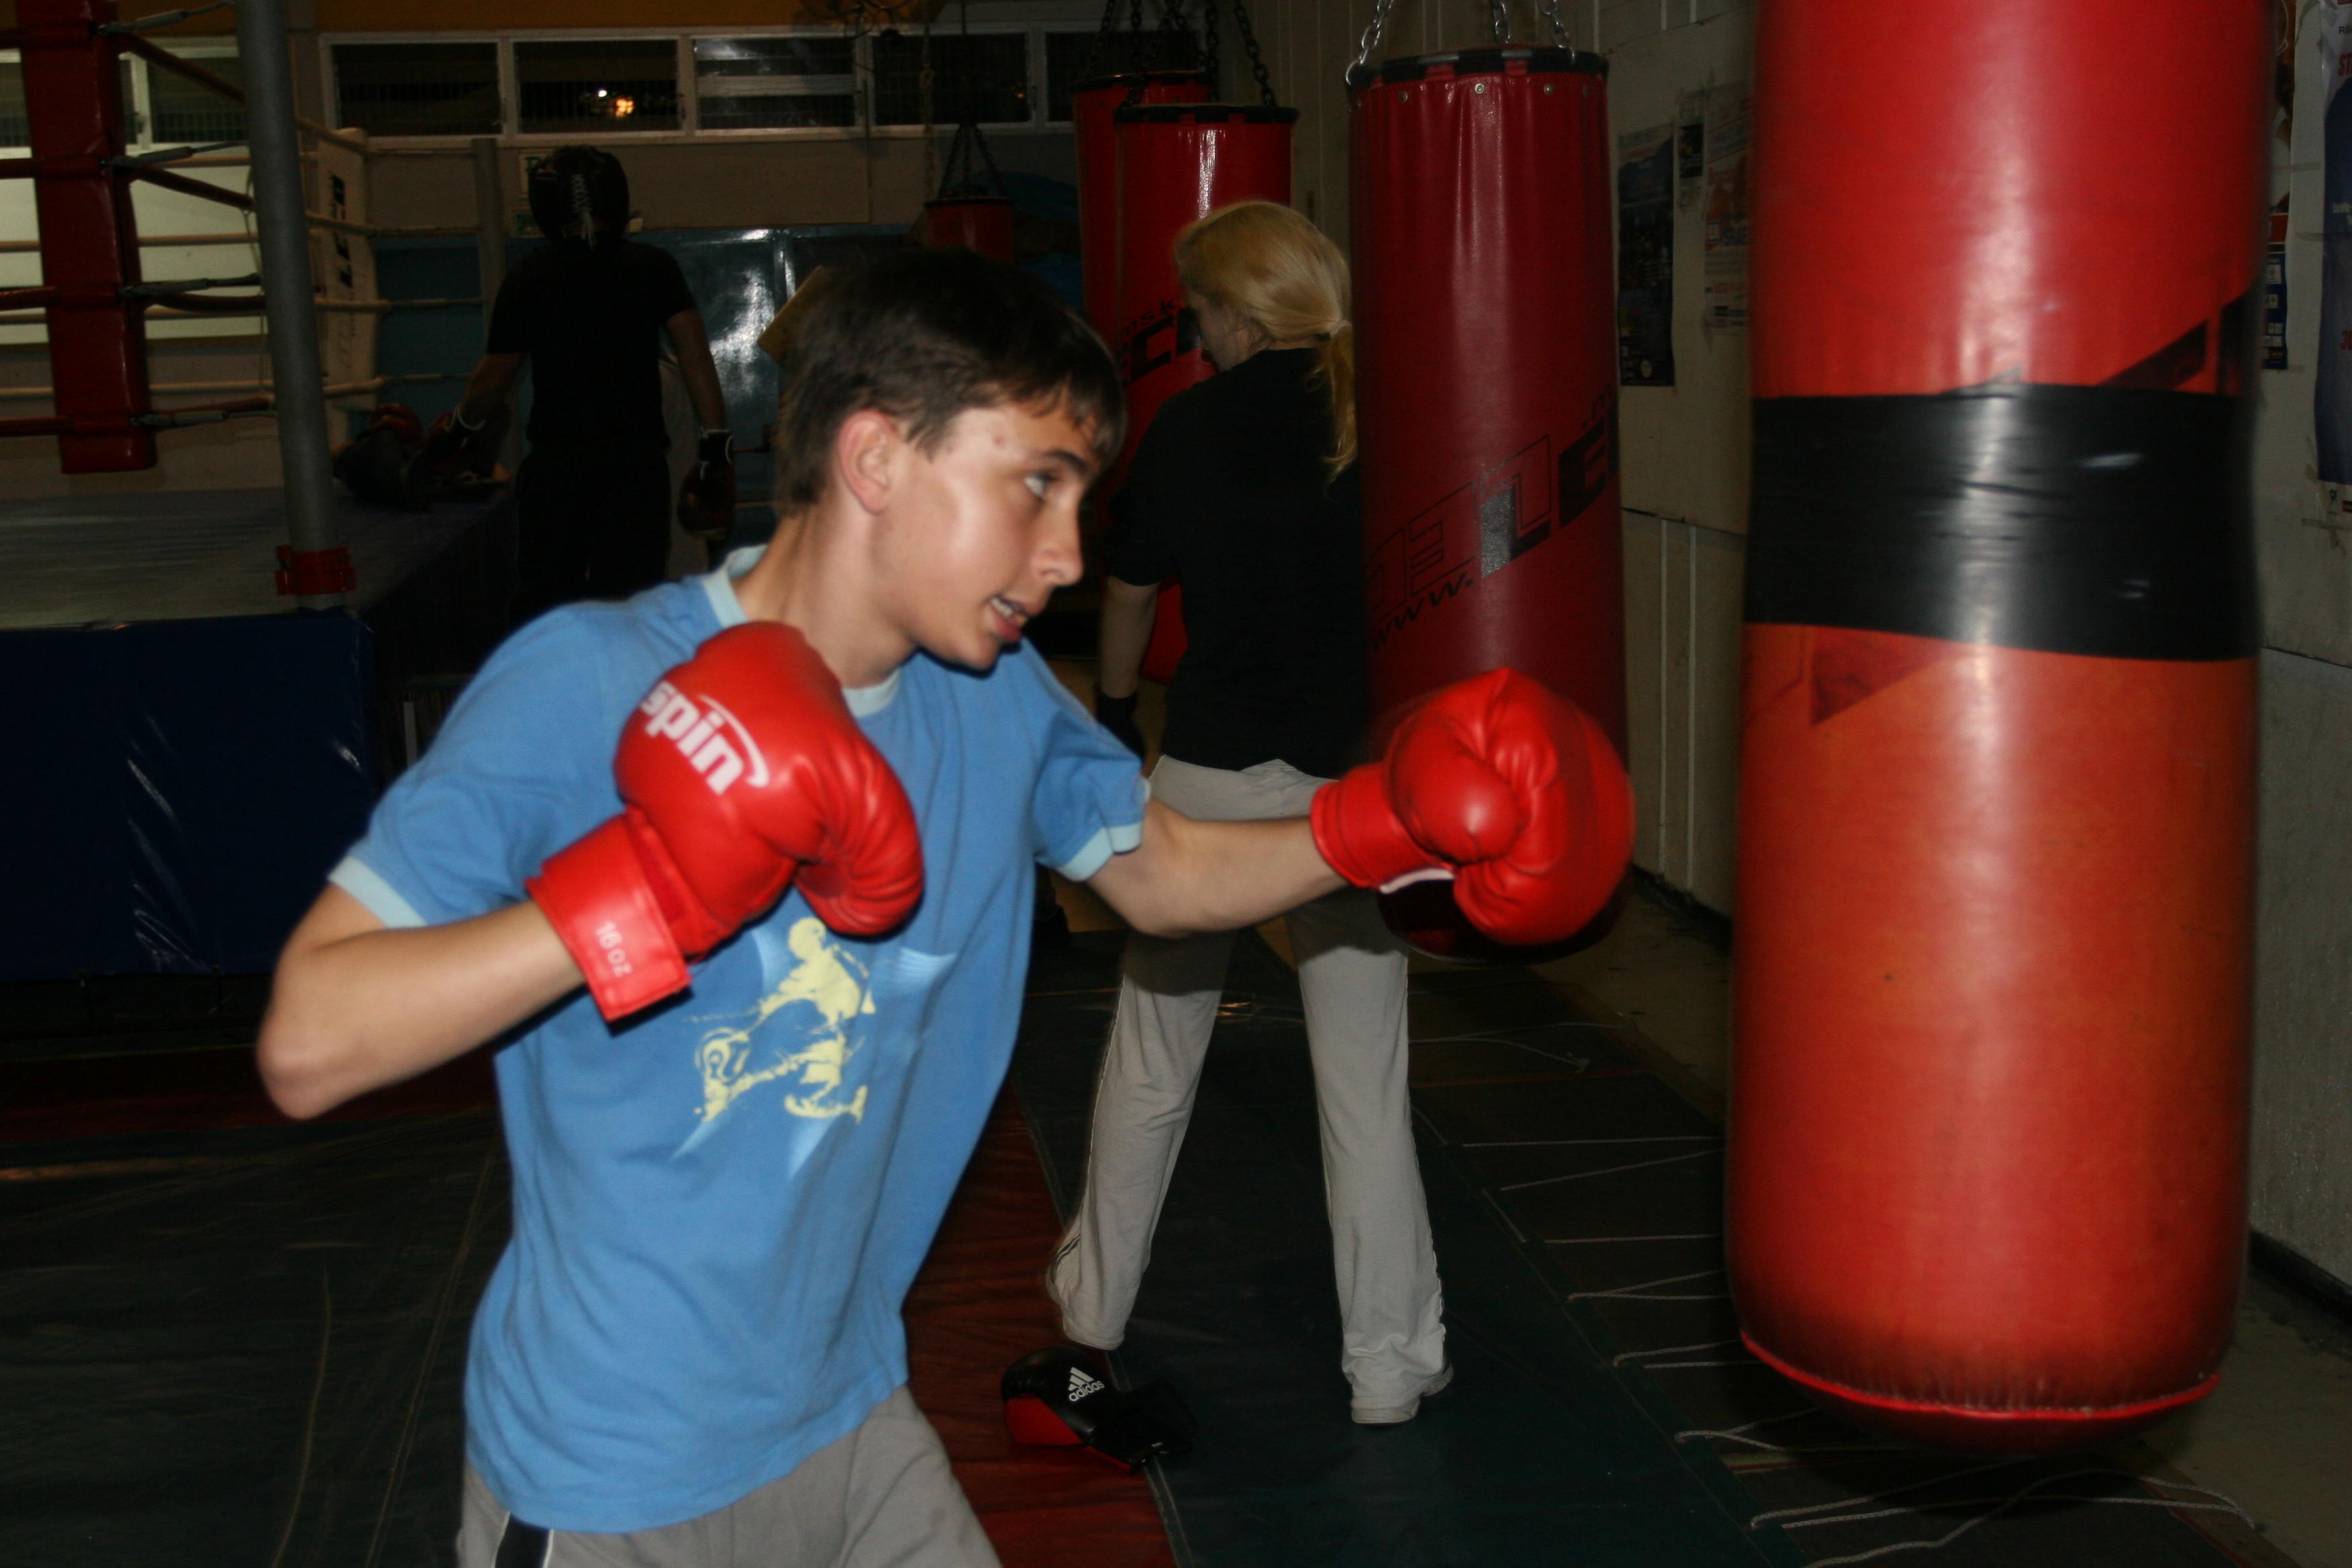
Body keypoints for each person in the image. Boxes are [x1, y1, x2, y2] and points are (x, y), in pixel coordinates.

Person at [257, 246, 1621, 1564]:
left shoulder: (996, 701)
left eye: (1082, 498)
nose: (1071, 553)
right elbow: (313, 1040)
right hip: (613, 1477)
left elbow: (1168, 872)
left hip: (854, 1427)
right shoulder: (588, 681)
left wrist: (1378, 823)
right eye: (1035, 486)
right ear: (875, 459)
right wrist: (647, 895)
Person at [1048, 200, 1442, 1424]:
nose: (1195, 333)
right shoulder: (1384, 414)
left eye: (1199, 312)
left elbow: (1126, 587)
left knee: (1152, 1062)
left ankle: (1089, 1320)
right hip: (1350, 788)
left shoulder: (1189, 423)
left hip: (1213, 780)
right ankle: (1386, 1368)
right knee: (1362, 1077)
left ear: (1232, 307)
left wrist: (1113, 713)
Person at [423, 146, 736, 622]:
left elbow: (494, 378)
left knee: (551, 609)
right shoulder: (652, 267)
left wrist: (459, 431)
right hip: (634, 469)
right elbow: (694, 356)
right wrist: (717, 447)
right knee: (631, 606)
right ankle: (627, 694)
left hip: (561, 469)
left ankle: (557, 693)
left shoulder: (529, 277)